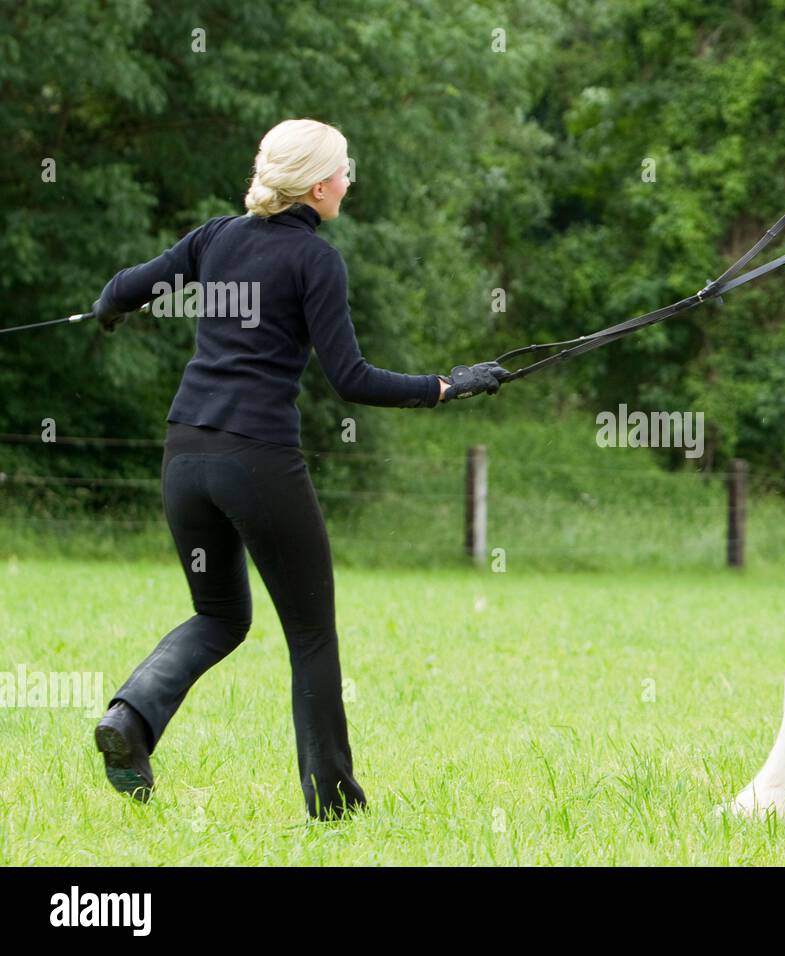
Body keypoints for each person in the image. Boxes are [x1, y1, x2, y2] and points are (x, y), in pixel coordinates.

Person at [91, 118, 509, 820]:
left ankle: (131, 718)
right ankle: (335, 806)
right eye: (346, 169)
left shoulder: (214, 237)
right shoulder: (317, 260)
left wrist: (107, 308)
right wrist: (443, 386)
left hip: (184, 454)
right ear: (318, 185)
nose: (350, 180)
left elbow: (126, 287)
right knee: (311, 633)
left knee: (219, 615)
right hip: (255, 460)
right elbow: (350, 378)